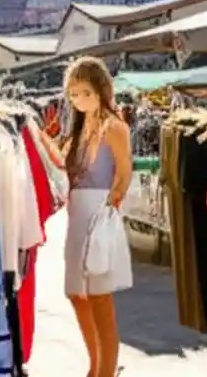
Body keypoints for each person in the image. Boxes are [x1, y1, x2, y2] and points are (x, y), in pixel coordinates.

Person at [57, 56, 134, 377]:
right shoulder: (79, 129)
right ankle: (96, 365)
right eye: (73, 94)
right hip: (77, 215)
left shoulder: (113, 126)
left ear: (101, 90)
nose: (78, 100)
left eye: (84, 92)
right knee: (76, 292)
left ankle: (105, 370)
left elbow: (125, 173)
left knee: (100, 297)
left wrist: (110, 208)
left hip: (97, 212)